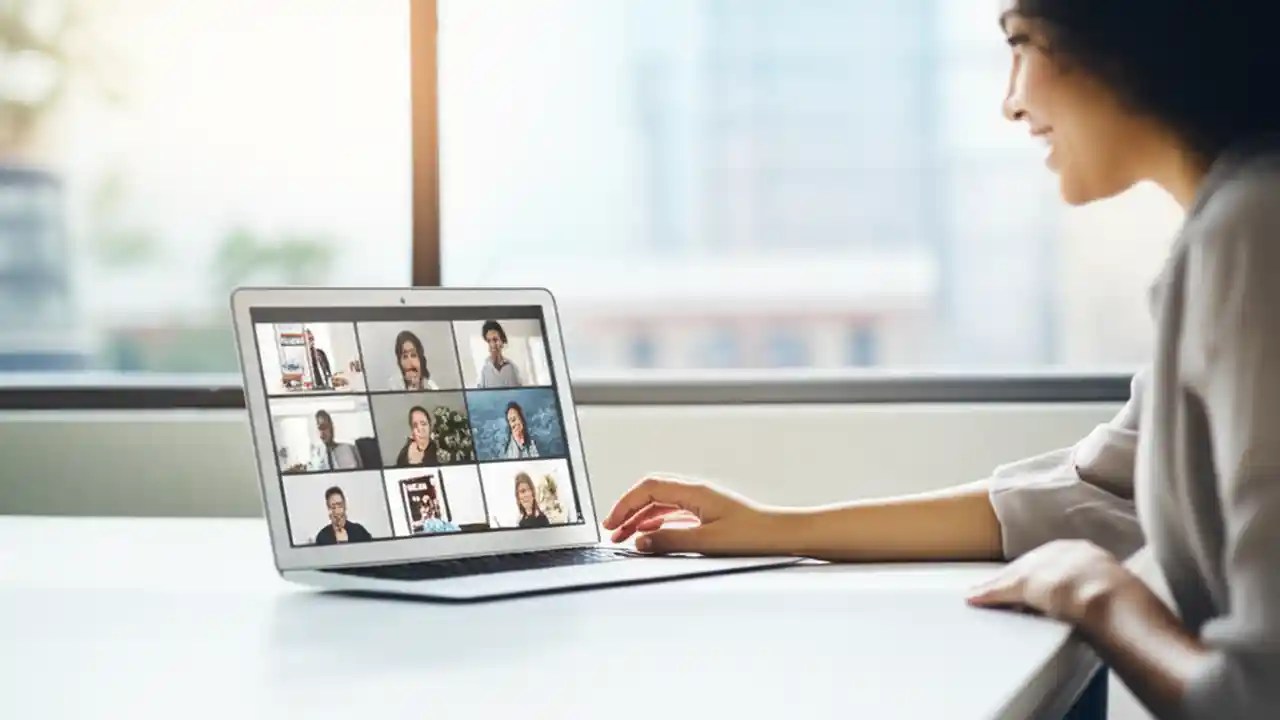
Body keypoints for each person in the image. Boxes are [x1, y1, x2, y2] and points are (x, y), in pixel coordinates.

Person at [603, 3, 1280, 718]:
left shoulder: (1251, 231)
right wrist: (771, 528)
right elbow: (1091, 494)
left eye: (1023, 44)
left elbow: (1257, 696)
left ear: (1125, 35)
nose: (1012, 101)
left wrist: (1098, 596)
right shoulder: (1235, 224)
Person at [297, 410, 361, 471]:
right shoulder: (316, 456)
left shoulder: (345, 449)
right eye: (320, 428)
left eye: (325, 427)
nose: (323, 433)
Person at [476, 320, 524, 388]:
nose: (492, 345)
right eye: (489, 341)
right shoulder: (483, 369)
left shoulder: (513, 368)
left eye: (495, 340)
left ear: (502, 341)